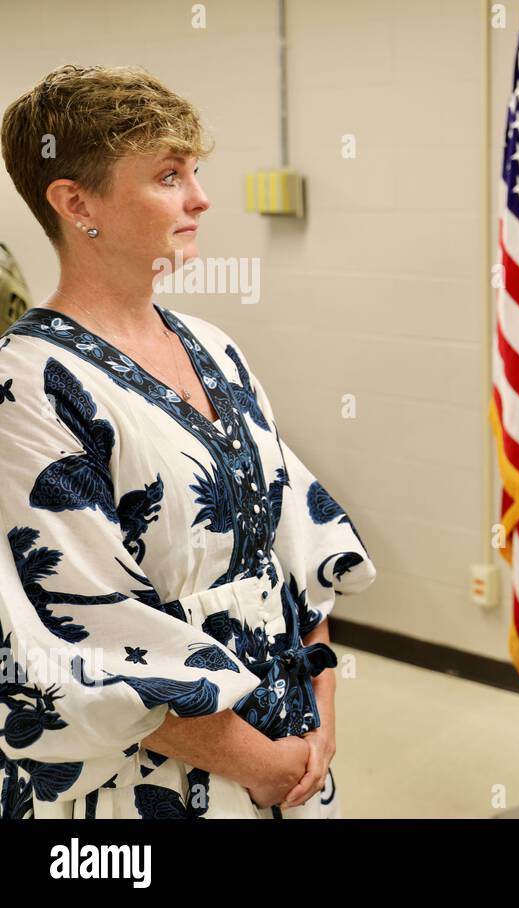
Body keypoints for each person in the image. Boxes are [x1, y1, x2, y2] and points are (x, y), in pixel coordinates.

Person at [0, 64, 375, 819]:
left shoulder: (213, 346)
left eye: (195, 172)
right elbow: (81, 630)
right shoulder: (28, 386)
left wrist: (320, 710)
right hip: (149, 782)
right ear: (77, 204)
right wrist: (257, 763)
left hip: (288, 741)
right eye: (169, 176)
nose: (201, 198)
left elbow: (295, 538)